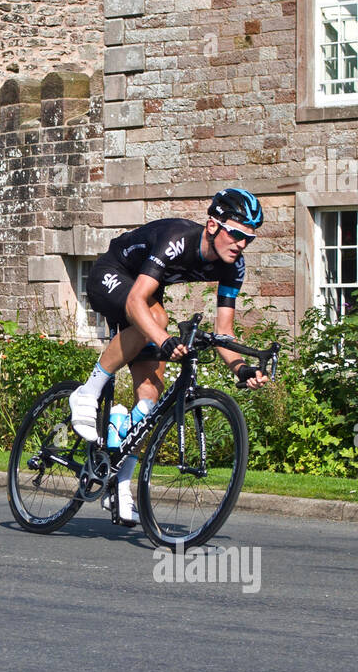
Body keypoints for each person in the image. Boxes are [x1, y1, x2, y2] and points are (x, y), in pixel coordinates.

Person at [68, 188, 271, 525]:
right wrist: (161, 338)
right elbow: (136, 302)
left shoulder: (233, 267)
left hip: (146, 292)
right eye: (236, 233)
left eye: (249, 238)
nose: (241, 244)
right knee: (157, 319)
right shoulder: (178, 239)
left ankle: (119, 484)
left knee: (149, 397)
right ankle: (86, 392)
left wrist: (241, 367)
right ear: (212, 225)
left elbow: (225, 331)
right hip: (112, 275)